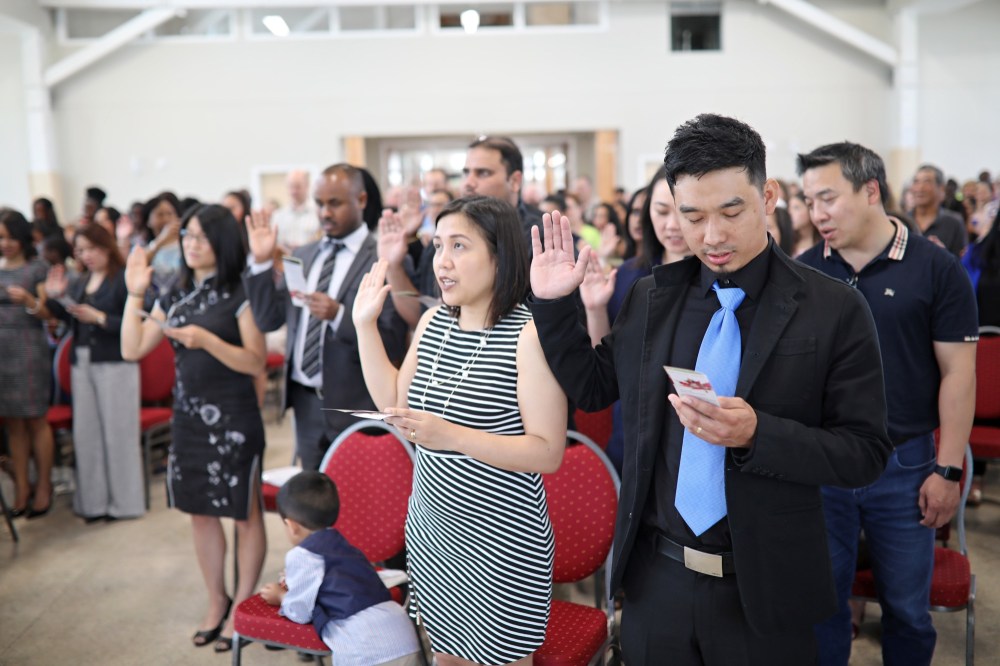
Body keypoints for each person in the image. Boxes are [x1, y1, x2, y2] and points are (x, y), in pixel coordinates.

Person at [528, 113, 892, 665]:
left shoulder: (833, 307)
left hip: (765, 588)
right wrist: (556, 305)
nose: (712, 236)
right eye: (692, 216)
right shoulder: (655, 299)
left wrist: (758, 433)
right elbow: (595, 387)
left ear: (767, 196)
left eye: (731, 211)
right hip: (660, 580)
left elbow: (865, 453)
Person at [353, 195, 568, 666]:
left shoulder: (529, 335)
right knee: (447, 659)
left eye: (459, 246)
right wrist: (364, 326)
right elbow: (396, 404)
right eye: (436, 246)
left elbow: (548, 452)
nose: (442, 263)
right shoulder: (433, 322)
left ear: (500, 255)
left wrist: (451, 436)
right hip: (434, 535)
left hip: (502, 545)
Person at [797, 142, 978, 666]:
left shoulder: (935, 268)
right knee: (822, 604)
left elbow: (958, 375)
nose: (818, 214)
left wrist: (948, 469)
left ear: (871, 190)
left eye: (828, 198)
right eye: (809, 201)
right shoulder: (805, 271)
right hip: (824, 461)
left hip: (904, 464)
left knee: (905, 608)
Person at [121, 204, 268, 653]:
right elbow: (132, 349)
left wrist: (206, 341)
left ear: (222, 243)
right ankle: (215, 601)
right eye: (187, 235)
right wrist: (134, 294)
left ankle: (242, 604)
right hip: (188, 420)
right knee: (201, 514)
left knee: (244, 514)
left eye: (201, 237)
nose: (191, 243)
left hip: (235, 419)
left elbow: (256, 361)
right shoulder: (175, 293)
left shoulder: (240, 290)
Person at [244, 163, 408, 471]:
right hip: (306, 404)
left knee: (360, 504)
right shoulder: (304, 255)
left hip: (356, 403)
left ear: (360, 200)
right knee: (312, 507)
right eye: (319, 204)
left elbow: (393, 340)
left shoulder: (383, 259)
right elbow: (268, 320)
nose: (325, 213)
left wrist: (339, 315)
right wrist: (262, 264)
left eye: (335, 203)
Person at [578, 166, 691, 473]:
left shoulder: (716, 277)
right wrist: (595, 308)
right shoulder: (630, 273)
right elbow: (605, 357)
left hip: (691, 426)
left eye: (683, 212)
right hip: (633, 416)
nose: (672, 225)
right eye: (661, 211)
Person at [259, 471, 422, 666]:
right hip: (404, 636)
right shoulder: (346, 546)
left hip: (364, 651)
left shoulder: (301, 555)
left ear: (291, 525)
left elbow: (300, 612)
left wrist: (281, 597)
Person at [45, 224, 144, 522]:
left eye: (91, 248)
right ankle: (93, 502)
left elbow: (137, 320)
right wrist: (56, 299)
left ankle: (124, 504)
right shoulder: (80, 281)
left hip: (115, 360)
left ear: (106, 247)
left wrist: (100, 318)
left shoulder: (122, 278)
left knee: (118, 433)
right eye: (81, 250)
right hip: (83, 360)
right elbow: (67, 318)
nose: (86, 255)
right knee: (87, 432)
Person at [0, 208, 56, 519]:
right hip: (1, 352)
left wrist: (30, 302)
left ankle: (44, 486)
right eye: (0, 238)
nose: (5, 244)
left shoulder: (37, 269)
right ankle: (22, 487)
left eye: (9, 238)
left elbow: (49, 315)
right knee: (13, 422)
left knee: (36, 419)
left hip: (28, 348)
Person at [907, 164, 968, 256]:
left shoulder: (954, 223)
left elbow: (960, 264)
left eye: (927, 182)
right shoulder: (903, 221)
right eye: (916, 182)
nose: (920, 188)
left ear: (941, 188)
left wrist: (943, 255)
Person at [272, 170, 320, 252]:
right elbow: (275, 242)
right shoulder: (278, 215)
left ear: (307, 186)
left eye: (298, 187)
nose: (294, 191)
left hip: (311, 259)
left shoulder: (318, 213)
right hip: (285, 260)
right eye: (291, 186)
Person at [789, 191, 821, 257]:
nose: (790, 213)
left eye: (796, 208)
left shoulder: (825, 243)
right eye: (789, 208)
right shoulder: (788, 242)